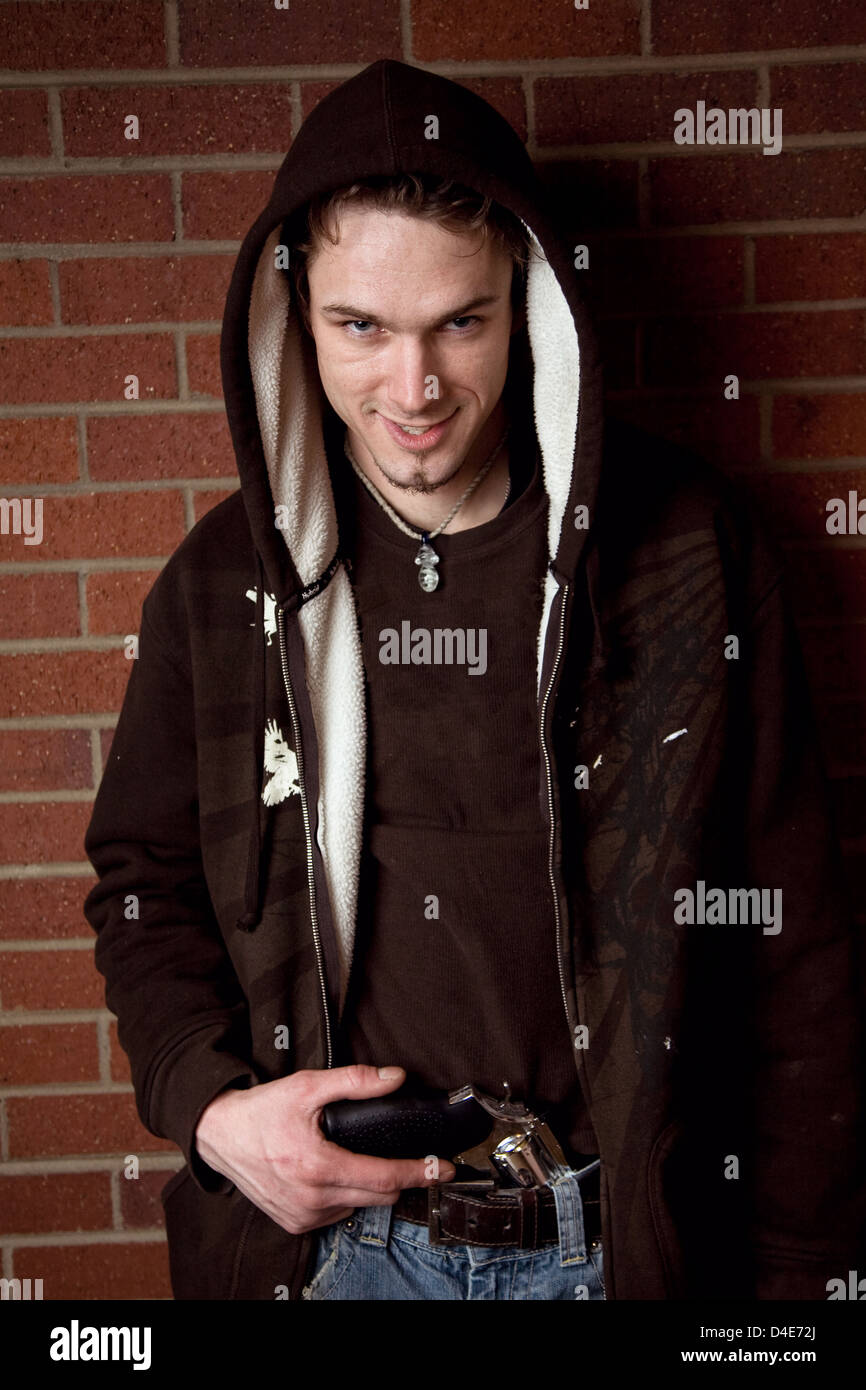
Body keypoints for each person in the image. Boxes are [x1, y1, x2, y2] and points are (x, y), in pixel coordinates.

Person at [83, 58, 863, 1301]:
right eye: (360, 328)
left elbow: (795, 940)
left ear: (529, 301)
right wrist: (214, 1109)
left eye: (460, 321)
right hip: (331, 1252)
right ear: (294, 317)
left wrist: (797, 1282)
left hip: (625, 1249)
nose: (414, 391)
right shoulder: (221, 585)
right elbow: (141, 885)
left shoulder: (684, 557)